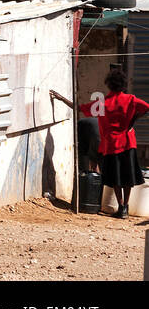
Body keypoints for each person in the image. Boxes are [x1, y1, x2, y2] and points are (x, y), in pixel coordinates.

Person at [56, 66, 149, 218]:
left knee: (116, 178)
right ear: (124, 84)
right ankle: (126, 205)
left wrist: (62, 99)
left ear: (109, 84)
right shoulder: (131, 99)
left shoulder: (103, 103)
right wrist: (133, 120)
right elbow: (146, 108)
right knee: (127, 177)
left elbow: (79, 108)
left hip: (111, 145)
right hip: (128, 142)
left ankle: (121, 207)